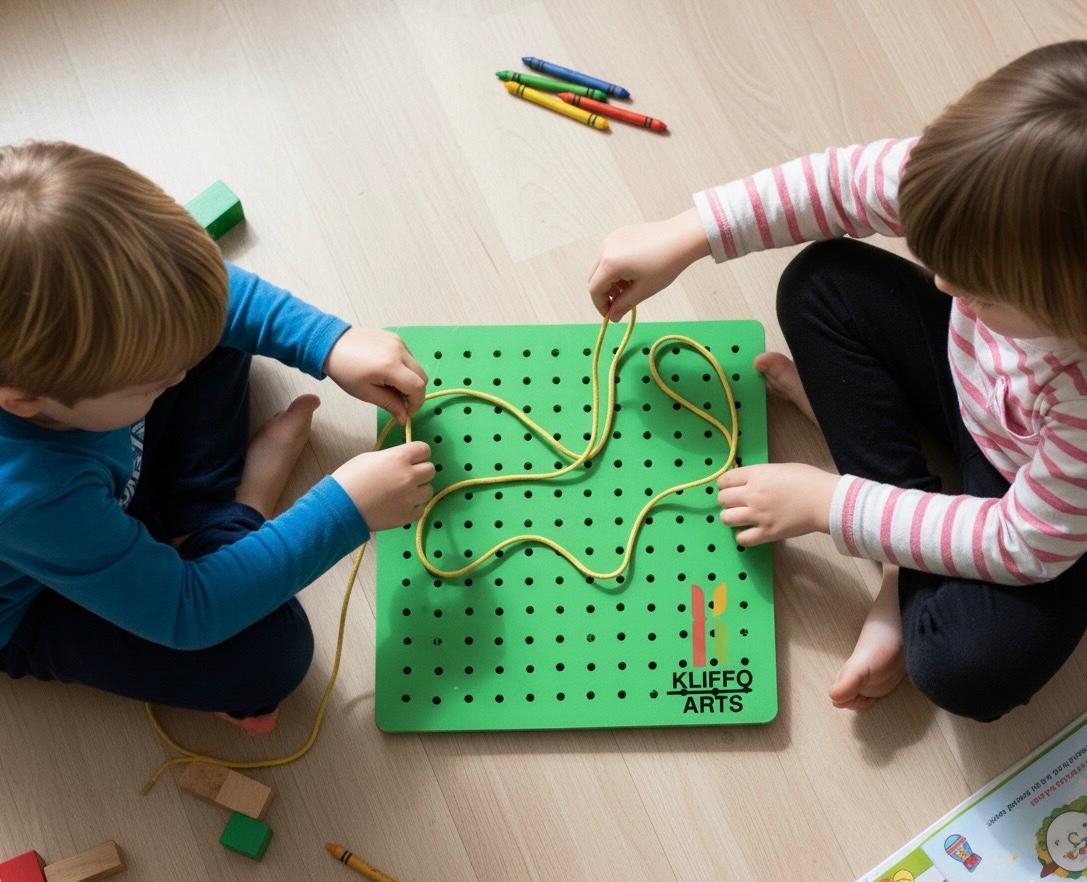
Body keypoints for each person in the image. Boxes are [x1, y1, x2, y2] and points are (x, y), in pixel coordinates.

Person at [587, 41, 1087, 722]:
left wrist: (831, 506)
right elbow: (840, 185)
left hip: (1049, 506)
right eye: (938, 261)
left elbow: (1022, 541)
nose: (941, 285)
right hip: (987, 400)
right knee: (820, 284)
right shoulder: (989, 184)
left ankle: (897, 564)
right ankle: (902, 545)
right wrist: (687, 234)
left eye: (981, 292)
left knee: (965, 668)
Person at [0, 141, 434, 732]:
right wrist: (347, 510)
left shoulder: (60, 332)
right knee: (268, 658)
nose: (176, 375)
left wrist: (330, 343)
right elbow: (188, 612)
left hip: (88, 485)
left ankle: (201, 520)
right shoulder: (31, 495)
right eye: (154, 381)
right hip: (38, 600)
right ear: (26, 399)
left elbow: (209, 294)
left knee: (209, 328)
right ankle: (239, 508)